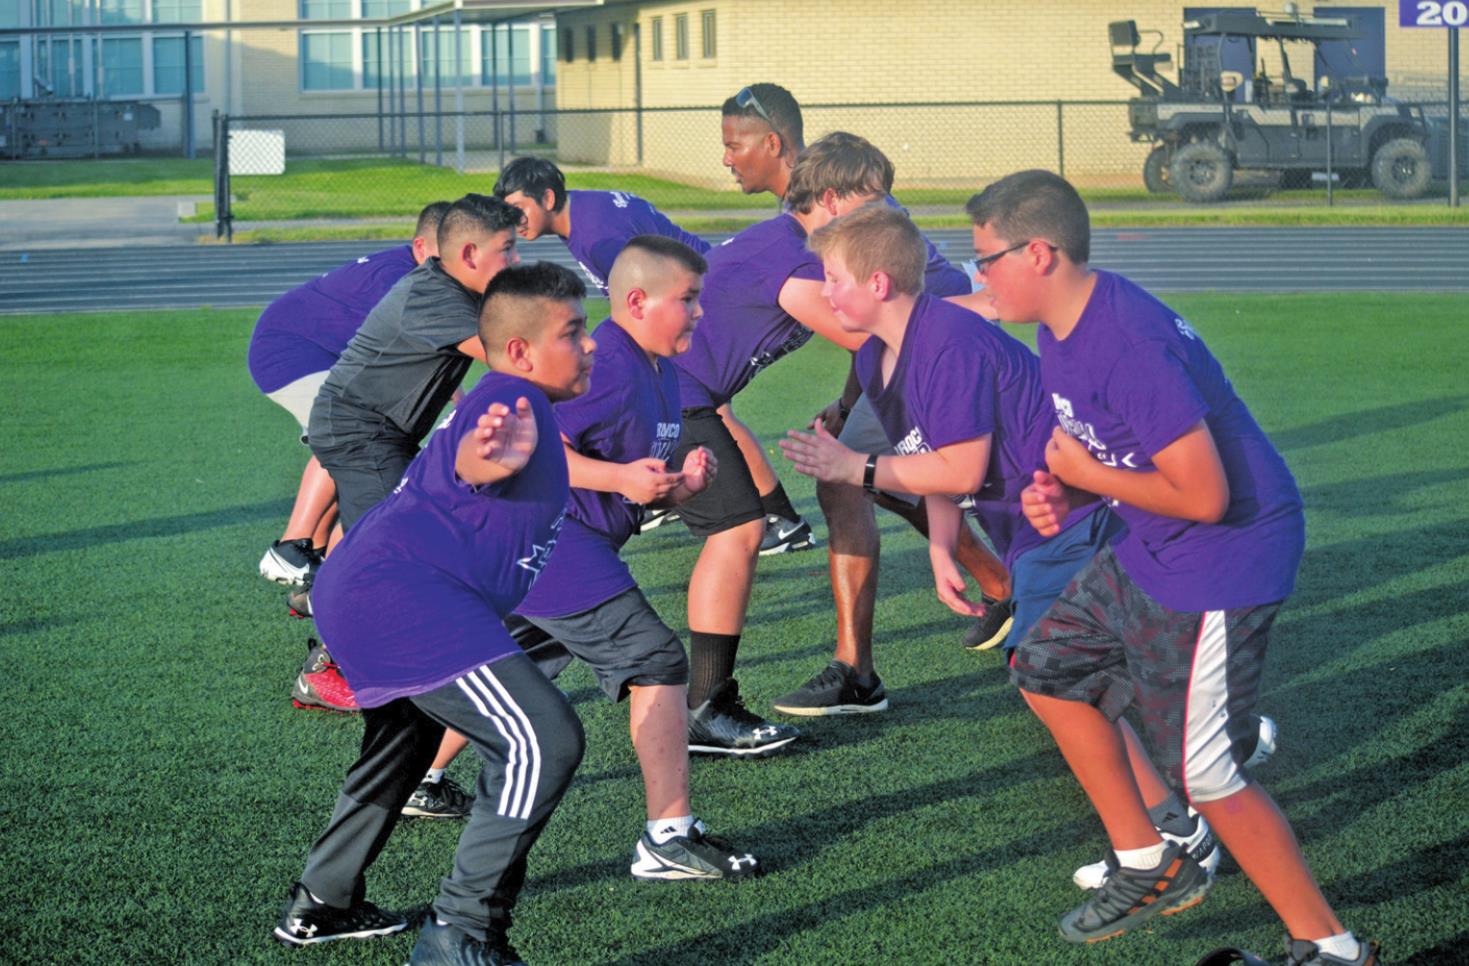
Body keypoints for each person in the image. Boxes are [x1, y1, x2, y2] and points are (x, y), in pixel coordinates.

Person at [970, 170, 1378, 965]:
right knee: (1046, 666)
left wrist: (1088, 480)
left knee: (1208, 775)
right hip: (1154, 545)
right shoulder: (1060, 328)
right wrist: (1066, 490)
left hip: (1222, 560)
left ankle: (1329, 948)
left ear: (1040, 253)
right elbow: (1106, 450)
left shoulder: (1124, 341)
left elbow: (1203, 493)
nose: (976, 273)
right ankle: (1149, 862)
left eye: (985, 258)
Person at [273, 262, 595, 966]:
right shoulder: (508, 401)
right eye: (573, 332)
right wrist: (483, 464)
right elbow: (478, 459)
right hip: (400, 602)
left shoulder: (523, 400)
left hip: (369, 590)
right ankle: (460, 933)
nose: (589, 344)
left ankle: (321, 902)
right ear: (519, 350)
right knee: (542, 741)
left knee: (407, 742)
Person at [668, 131, 932, 756]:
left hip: (675, 393)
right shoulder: (792, 254)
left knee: (572, 565)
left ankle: (705, 704)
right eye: (876, 201)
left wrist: (846, 407)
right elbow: (874, 335)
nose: (888, 213)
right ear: (836, 200)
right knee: (736, 529)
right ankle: (704, 707)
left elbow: (867, 340)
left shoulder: (800, 247)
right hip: (665, 394)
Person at [507, 236, 760, 879]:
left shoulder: (660, 367)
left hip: (562, 545)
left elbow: (629, 469)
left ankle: (422, 775)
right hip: (552, 538)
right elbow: (530, 447)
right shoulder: (610, 362)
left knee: (512, 664)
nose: (701, 312)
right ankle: (667, 838)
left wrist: (680, 486)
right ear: (638, 301)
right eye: (689, 299)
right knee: (656, 657)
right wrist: (620, 481)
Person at [294, 194, 522, 821]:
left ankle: (337, 634)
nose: (517, 259)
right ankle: (328, 663)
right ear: (470, 254)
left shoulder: (454, 293)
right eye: (509, 250)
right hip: (361, 430)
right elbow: (508, 357)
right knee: (387, 553)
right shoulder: (437, 295)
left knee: (397, 544)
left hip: (383, 431)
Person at [247, 201, 449, 585]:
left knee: (368, 456)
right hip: (289, 351)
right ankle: (292, 546)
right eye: (448, 255)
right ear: (421, 248)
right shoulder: (398, 278)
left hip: (314, 348)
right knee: (349, 435)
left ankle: (316, 561)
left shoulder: (420, 274)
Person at [491, 156, 709, 296]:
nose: (514, 219)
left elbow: (648, 305)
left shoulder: (597, 239)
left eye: (518, 209)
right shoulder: (579, 208)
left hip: (705, 292)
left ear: (547, 199)